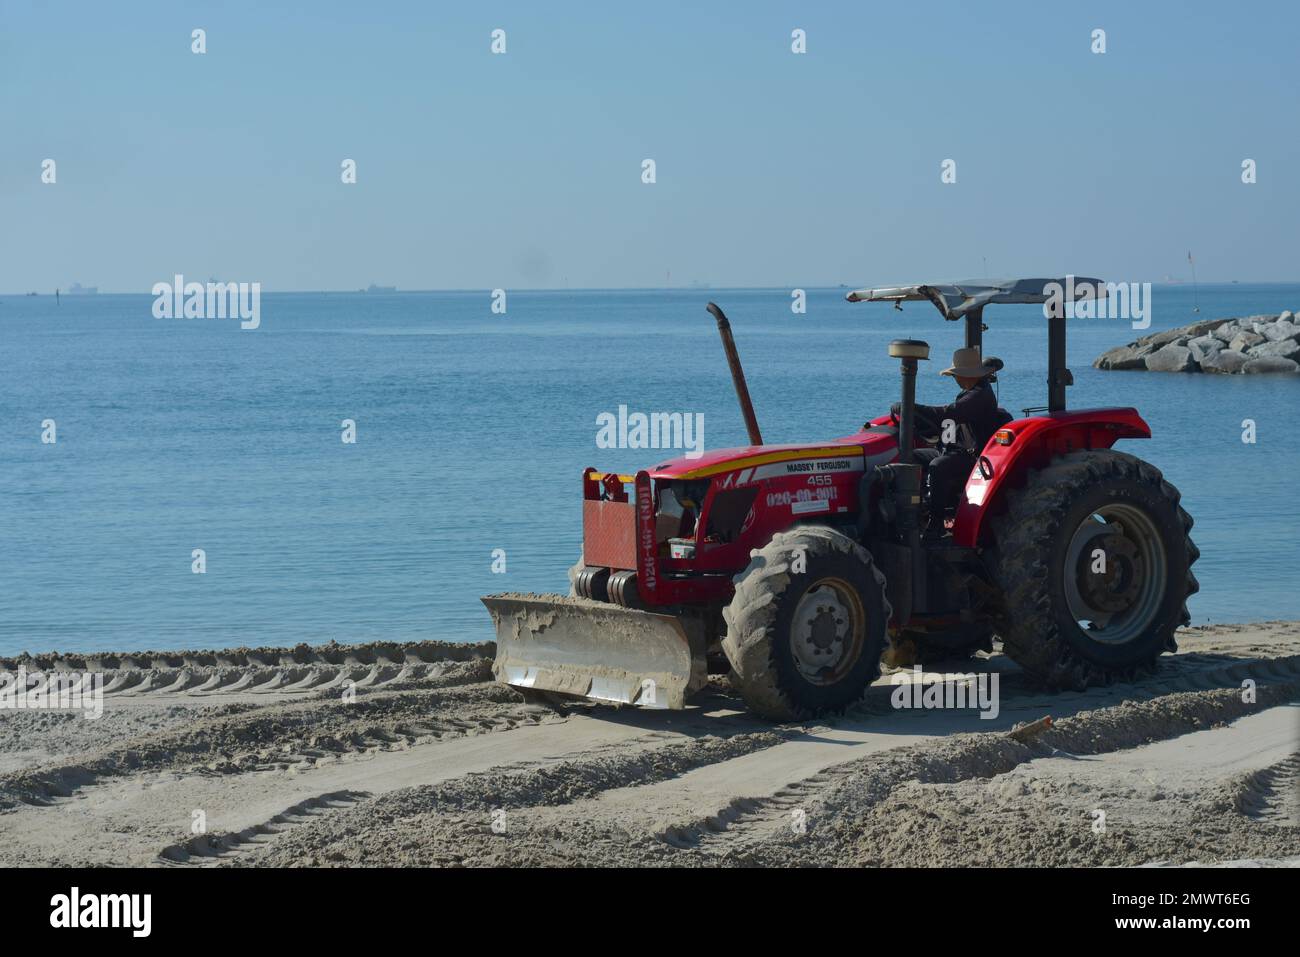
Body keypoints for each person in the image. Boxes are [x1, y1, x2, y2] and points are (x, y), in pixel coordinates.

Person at [897, 348, 1004, 535]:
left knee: (938, 466)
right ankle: (916, 508)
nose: (955, 378)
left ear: (966, 375)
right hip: (955, 449)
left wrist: (910, 407)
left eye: (956, 375)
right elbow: (949, 421)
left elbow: (950, 413)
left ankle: (936, 523)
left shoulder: (980, 395)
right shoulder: (970, 392)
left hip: (974, 457)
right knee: (911, 456)